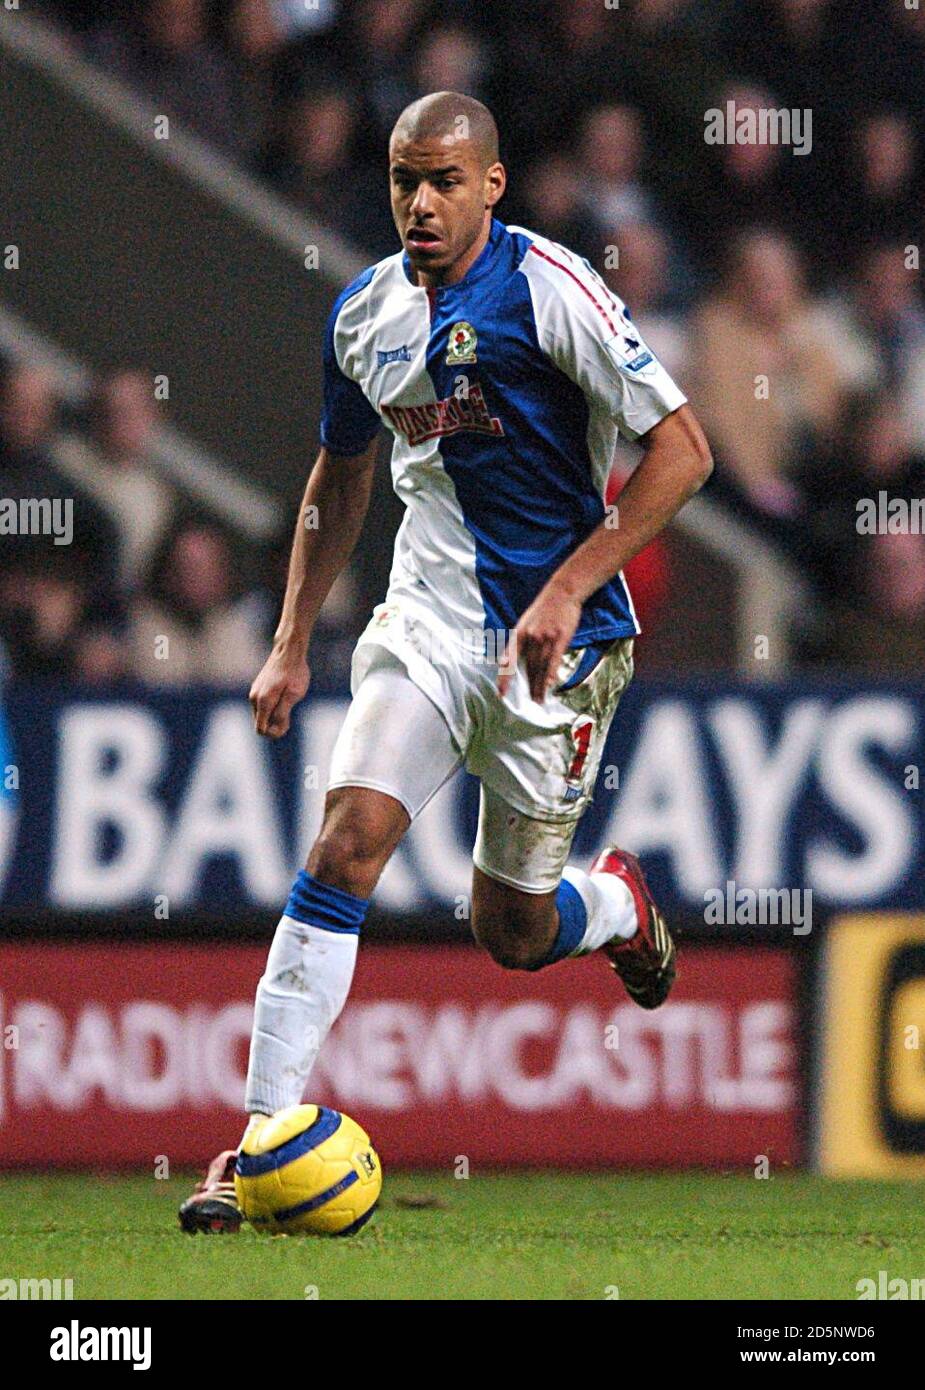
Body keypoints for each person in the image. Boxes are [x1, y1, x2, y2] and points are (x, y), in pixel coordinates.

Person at [179, 91, 712, 1233]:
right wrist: (285, 644)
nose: (419, 202)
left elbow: (684, 451)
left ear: (492, 185)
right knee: (346, 839)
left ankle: (613, 904)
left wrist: (570, 586)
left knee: (510, 935)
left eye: (443, 182)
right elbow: (341, 477)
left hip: (555, 650)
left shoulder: (548, 289)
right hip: (423, 620)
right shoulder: (363, 316)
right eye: (401, 181)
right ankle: (255, 1138)